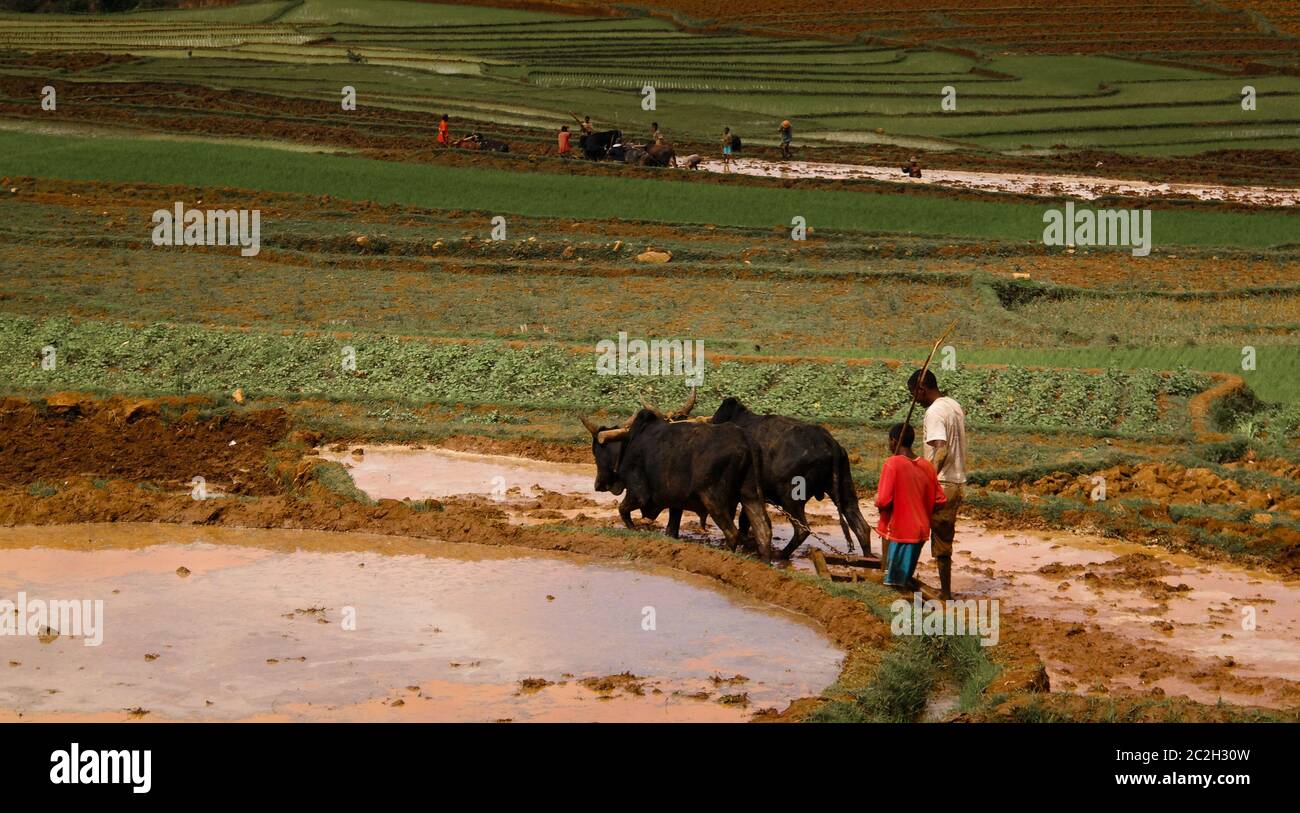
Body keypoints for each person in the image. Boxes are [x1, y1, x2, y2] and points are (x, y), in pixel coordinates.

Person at [907, 368, 967, 599]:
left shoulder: (933, 412)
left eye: (914, 394)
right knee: (942, 539)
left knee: (915, 528)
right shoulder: (953, 405)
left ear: (921, 390)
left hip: (941, 483)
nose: (914, 399)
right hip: (957, 481)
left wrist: (926, 480)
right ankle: (945, 591)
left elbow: (941, 448)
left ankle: (902, 576)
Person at [876, 422, 946, 590]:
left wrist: (876, 500)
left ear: (894, 441)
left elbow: (884, 501)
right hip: (921, 532)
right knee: (903, 577)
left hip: (900, 532)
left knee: (893, 584)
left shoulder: (892, 464)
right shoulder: (927, 466)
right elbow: (940, 500)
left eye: (889, 441)